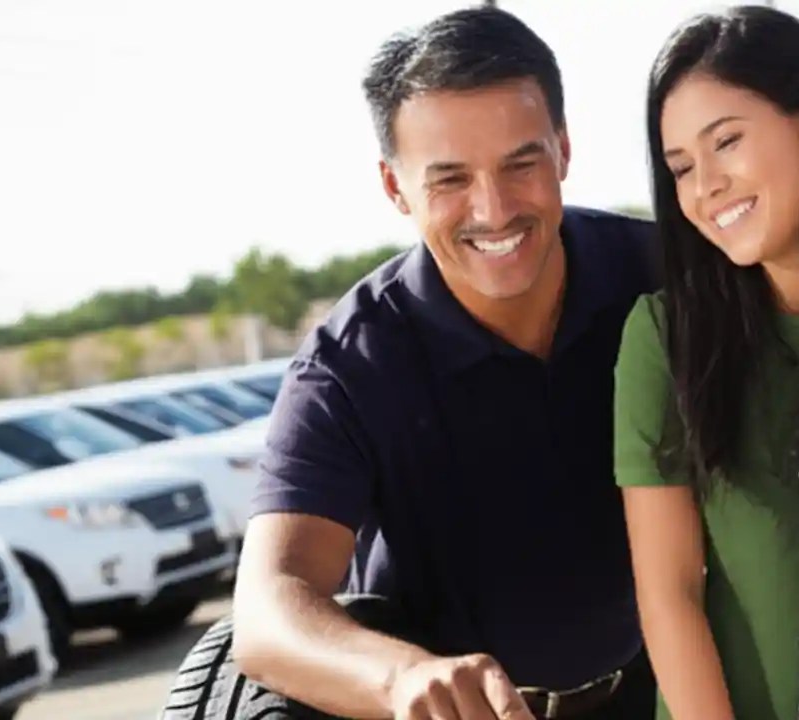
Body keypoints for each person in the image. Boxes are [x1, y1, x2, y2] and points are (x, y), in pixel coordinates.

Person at [227, 7, 660, 719]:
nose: (494, 210)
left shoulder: (661, 275)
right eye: (449, 179)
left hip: (666, 695)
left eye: (521, 164)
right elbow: (269, 615)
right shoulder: (348, 367)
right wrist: (401, 678)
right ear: (395, 188)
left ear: (564, 151)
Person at [612, 8, 799, 720]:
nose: (707, 185)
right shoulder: (666, 338)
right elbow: (669, 594)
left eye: (728, 142)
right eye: (681, 168)